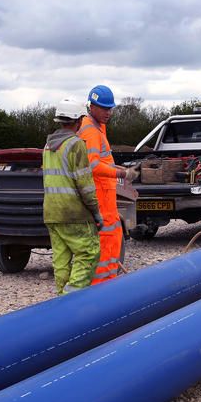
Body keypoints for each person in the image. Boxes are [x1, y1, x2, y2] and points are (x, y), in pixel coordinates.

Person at [78, 84, 138, 284]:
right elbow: (93, 165)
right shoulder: (90, 131)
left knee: (114, 237)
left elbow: (102, 162)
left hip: (105, 197)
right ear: (91, 106)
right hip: (100, 197)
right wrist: (122, 173)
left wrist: (120, 168)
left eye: (110, 108)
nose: (108, 113)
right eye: (104, 108)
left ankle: (109, 281)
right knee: (105, 241)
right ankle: (101, 286)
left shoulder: (97, 128)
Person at [42, 98, 103, 294]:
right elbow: (85, 185)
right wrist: (96, 212)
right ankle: (71, 297)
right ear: (78, 121)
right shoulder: (76, 144)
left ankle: (61, 300)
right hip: (73, 213)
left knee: (61, 260)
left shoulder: (48, 146)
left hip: (52, 212)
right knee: (89, 253)